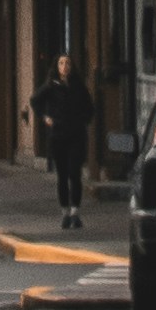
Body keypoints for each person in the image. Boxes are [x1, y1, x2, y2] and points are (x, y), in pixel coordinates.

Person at [32, 52, 97, 231]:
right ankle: (65, 212)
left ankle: (75, 212)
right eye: (61, 63)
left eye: (67, 63)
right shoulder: (51, 86)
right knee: (62, 175)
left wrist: (83, 120)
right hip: (58, 135)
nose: (64, 66)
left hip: (76, 134)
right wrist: (45, 117)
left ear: (72, 66)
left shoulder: (78, 86)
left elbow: (90, 108)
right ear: (57, 67)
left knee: (74, 173)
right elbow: (35, 101)